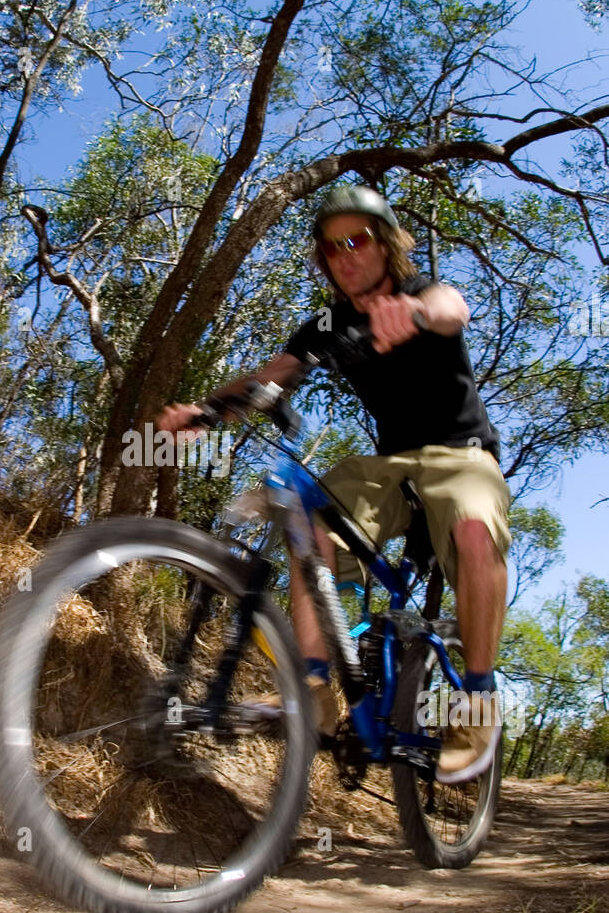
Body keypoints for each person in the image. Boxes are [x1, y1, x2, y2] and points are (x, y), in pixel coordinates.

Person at [155, 184, 511, 785]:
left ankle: (476, 701)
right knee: (306, 521)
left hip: (462, 455)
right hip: (390, 466)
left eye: (358, 240)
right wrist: (206, 413)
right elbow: (272, 376)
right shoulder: (327, 322)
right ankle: (314, 688)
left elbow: (453, 307)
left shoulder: (418, 291)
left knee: (474, 530)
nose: (345, 255)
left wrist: (416, 313)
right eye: (331, 247)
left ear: (388, 245)